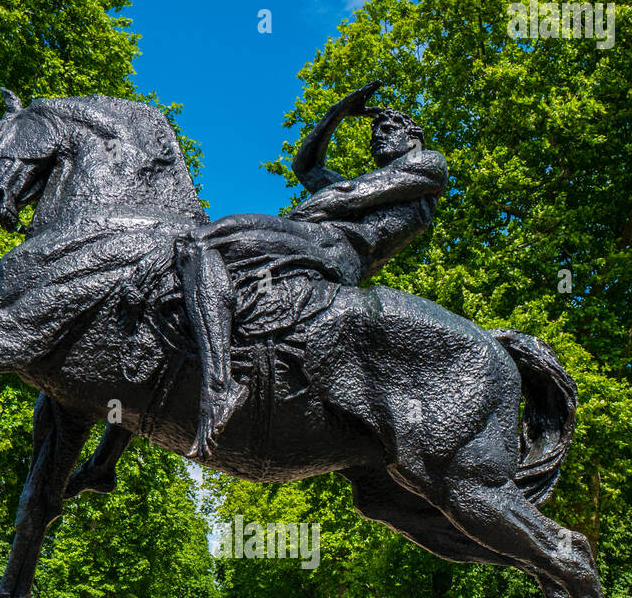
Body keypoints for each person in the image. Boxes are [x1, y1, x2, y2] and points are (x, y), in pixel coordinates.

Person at [175, 82, 448, 457]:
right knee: (192, 258)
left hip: (332, 250)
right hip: (318, 240)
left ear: (412, 136)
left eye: (387, 129)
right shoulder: (381, 186)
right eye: (374, 130)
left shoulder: (427, 163)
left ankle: (220, 386)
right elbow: (305, 167)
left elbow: (347, 195)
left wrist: (291, 222)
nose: (377, 136)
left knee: (201, 243)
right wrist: (338, 113)